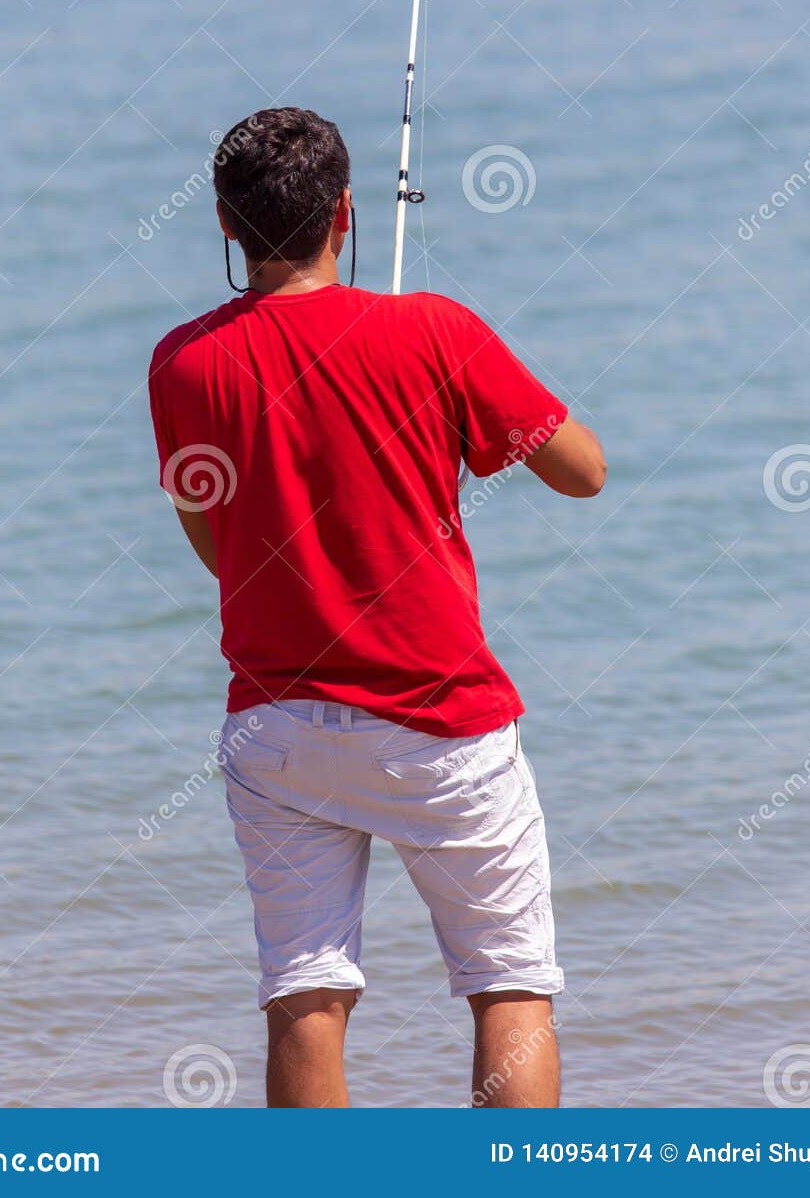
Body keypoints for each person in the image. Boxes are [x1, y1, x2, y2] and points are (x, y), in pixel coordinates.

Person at [148, 107, 606, 1108]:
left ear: (225, 226)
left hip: (274, 723)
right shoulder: (431, 328)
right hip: (441, 719)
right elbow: (584, 471)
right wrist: (434, 398)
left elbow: (211, 536)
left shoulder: (180, 363)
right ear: (346, 214)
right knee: (508, 983)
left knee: (302, 993)